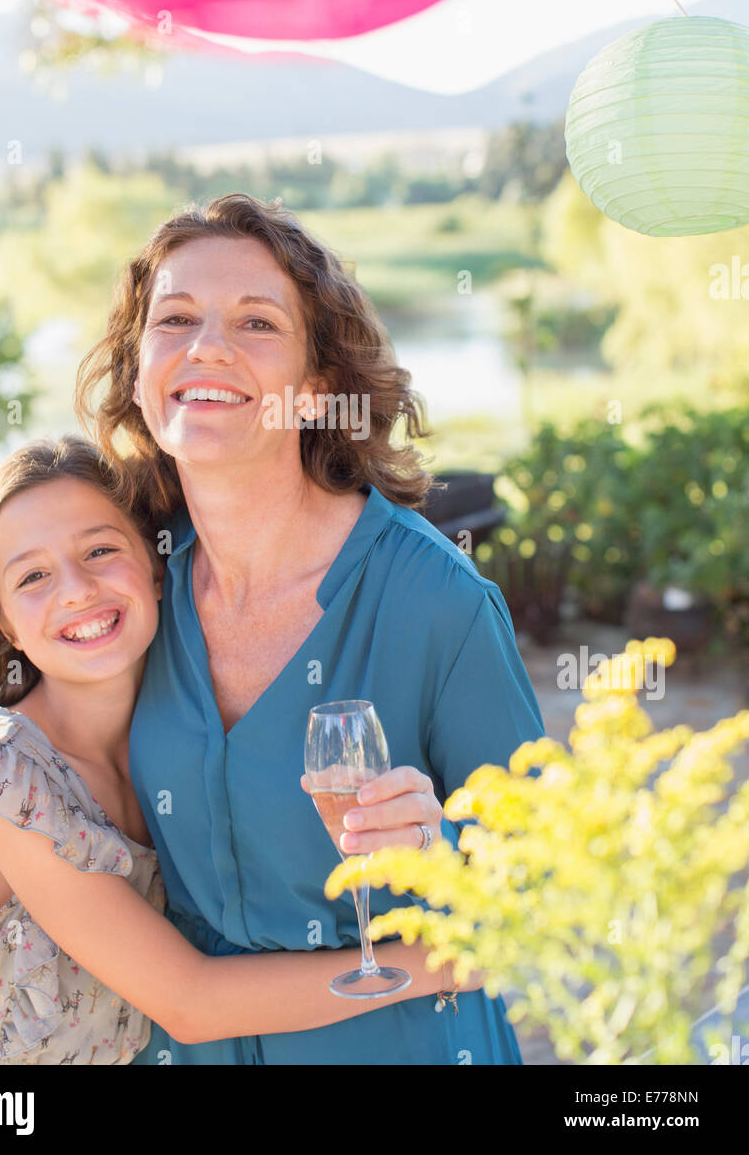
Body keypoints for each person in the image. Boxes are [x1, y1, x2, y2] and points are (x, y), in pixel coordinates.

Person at [75, 192, 546, 1066]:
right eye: (174, 319)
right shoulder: (134, 591)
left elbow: (543, 901)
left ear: (318, 390)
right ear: (141, 375)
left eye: (256, 323)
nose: (206, 346)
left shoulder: (437, 605)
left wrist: (438, 845)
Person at [0, 437, 466, 1066]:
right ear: (4, 624)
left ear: (157, 566)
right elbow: (190, 1003)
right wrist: (447, 959)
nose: (76, 590)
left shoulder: (180, 735)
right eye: (34, 577)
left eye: (101, 550)